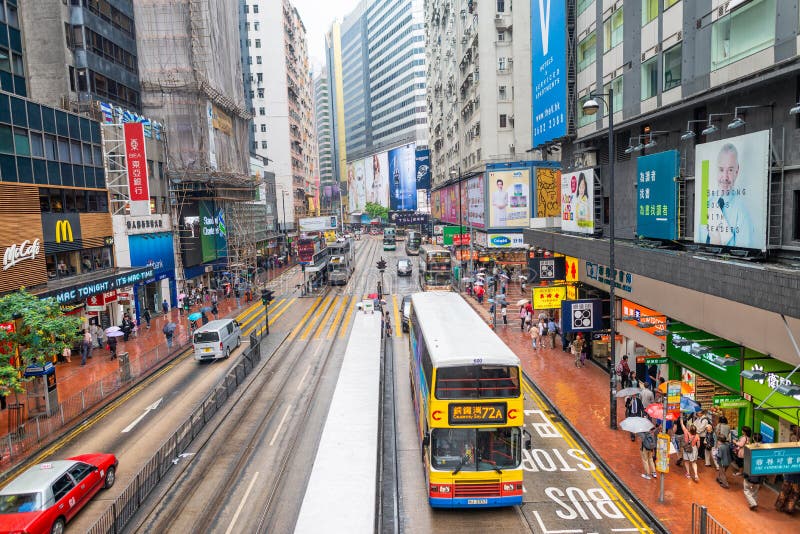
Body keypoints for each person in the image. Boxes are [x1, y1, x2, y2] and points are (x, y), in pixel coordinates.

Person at [700, 142, 755, 247]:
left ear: (737, 171)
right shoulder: (706, 204)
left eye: (730, 170)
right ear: (717, 169)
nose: (725, 177)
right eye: (721, 169)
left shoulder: (742, 213)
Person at [743, 432, 763, 510]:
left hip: (750, 475)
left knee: (746, 489)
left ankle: (753, 503)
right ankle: (753, 503)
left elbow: (747, 463)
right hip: (759, 476)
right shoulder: (765, 449)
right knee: (755, 491)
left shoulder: (750, 449)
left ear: (754, 439)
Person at [680, 417, 701, 482]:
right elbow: (698, 444)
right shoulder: (697, 436)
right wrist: (696, 449)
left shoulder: (686, 432)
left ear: (689, 429)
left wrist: (681, 418)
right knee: (694, 462)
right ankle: (696, 475)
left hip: (686, 448)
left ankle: (688, 473)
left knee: (686, 461)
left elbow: (682, 425)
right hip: (693, 448)